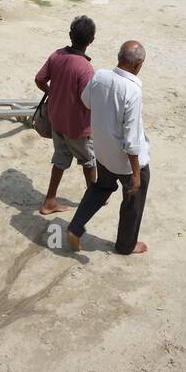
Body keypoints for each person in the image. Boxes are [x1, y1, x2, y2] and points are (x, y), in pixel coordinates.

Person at [67, 40, 151, 256]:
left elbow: (86, 101)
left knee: (100, 188)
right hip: (125, 160)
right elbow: (132, 139)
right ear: (138, 63)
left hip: (103, 152)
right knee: (133, 198)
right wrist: (135, 173)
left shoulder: (101, 75)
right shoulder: (133, 90)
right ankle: (126, 245)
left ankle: (75, 228)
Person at [34, 16, 98, 216]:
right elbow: (89, 100)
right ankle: (94, 197)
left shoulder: (56, 56)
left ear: (70, 35)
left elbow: (39, 79)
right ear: (92, 40)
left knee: (60, 159)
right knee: (88, 160)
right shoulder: (85, 68)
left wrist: (53, 93)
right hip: (77, 126)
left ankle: (50, 200)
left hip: (57, 121)